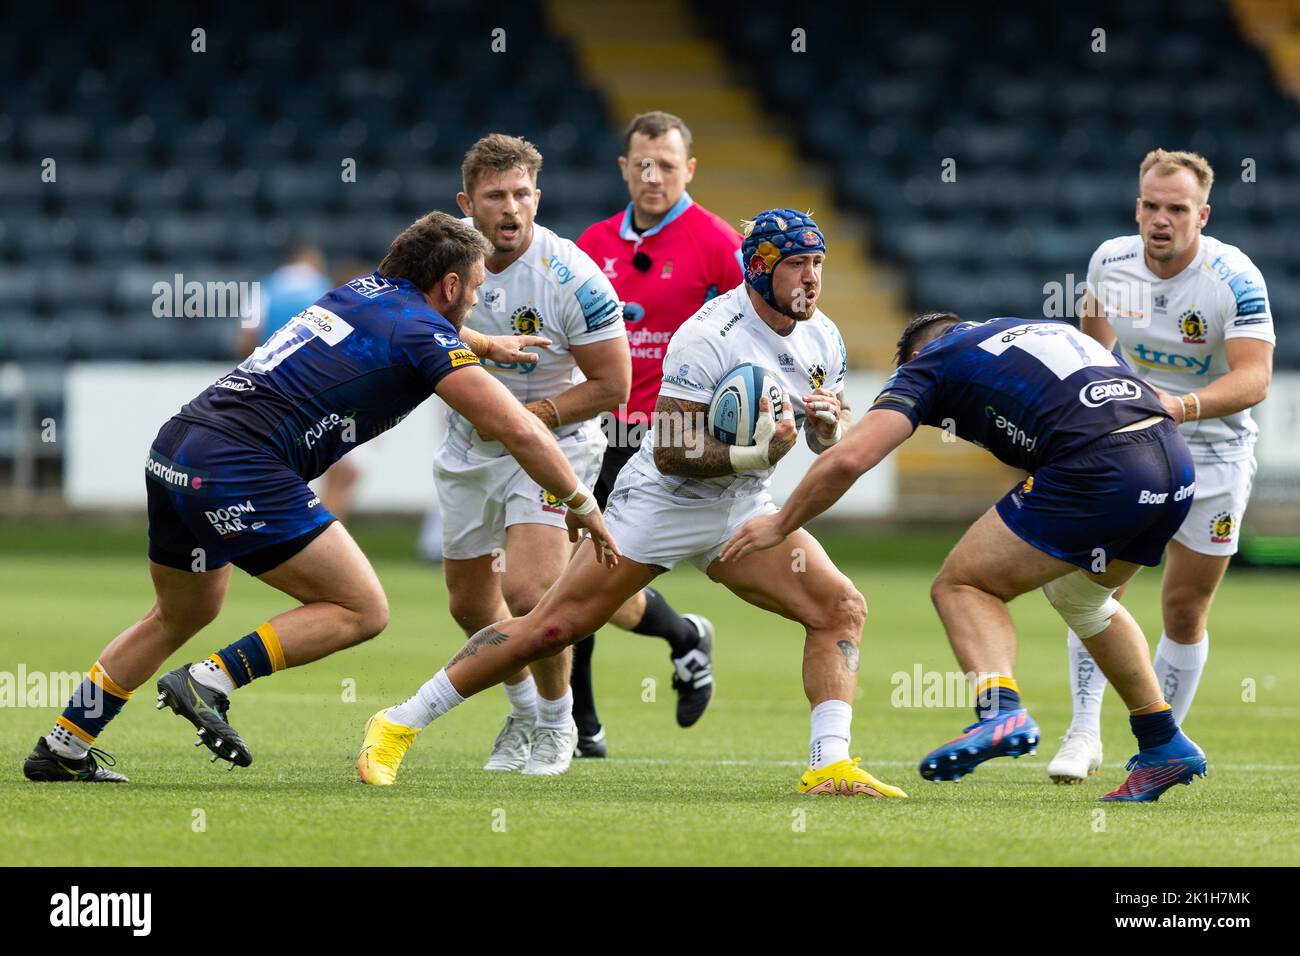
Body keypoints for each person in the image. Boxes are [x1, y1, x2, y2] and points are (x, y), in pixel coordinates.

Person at [22, 211, 619, 782]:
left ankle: (64, 746)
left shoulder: (362, 290)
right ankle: (212, 679)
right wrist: (583, 505)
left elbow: (422, 329)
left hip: (177, 447)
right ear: (452, 283)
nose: (477, 299)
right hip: (239, 466)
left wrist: (483, 346)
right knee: (363, 609)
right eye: (476, 288)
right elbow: (517, 428)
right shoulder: (423, 333)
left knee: (181, 612)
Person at [357, 209, 908, 799]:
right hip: (662, 504)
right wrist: (757, 454)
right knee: (549, 627)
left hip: (741, 506)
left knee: (840, 607)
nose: (811, 278)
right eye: (797, 264)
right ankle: (398, 723)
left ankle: (829, 765)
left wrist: (826, 428)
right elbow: (672, 450)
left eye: (817, 263)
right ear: (760, 267)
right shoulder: (710, 334)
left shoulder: (824, 334)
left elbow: (826, 434)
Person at [721, 312, 1208, 802]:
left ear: (915, 356)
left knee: (964, 584)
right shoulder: (1026, 329)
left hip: (1101, 467)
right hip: (1173, 464)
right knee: (1083, 601)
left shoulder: (930, 362)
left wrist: (780, 524)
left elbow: (850, 458)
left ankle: (1000, 711)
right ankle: (1162, 741)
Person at [1046, 150, 1274, 783]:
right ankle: (1083, 733)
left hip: (1217, 454)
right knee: (1096, 587)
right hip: (1133, 449)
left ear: (1203, 214)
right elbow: (1093, 353)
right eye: (1151, 205)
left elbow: (1254, 378)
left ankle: (1159, 747)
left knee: (1183, 608)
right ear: (1137, 207)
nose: (1161, 218)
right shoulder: (1110, 262)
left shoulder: (1234, 278)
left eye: (1177, 208)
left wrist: (1180, 405)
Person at [433, 134, 628, 776]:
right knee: (468, 603)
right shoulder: (440, 253)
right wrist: (480, 346)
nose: (510, 208)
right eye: (495, 196)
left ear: (538, 198)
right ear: (469, 203)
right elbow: (399, 316)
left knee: (529, 591)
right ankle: (520, 710)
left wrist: (523, 421)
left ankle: (556, 723)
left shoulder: (572, 275)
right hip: (469, 446)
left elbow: (612, 386)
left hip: (555, 442)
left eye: (522, 194)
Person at [571, 110, 744, 753]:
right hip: (602, 435)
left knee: (590, 584)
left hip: (675, 438)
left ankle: (675, 645)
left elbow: (756, 333)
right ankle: (589, 722)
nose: (654, 177)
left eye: (667, 165)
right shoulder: (592, 244)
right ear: (625, 167)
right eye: (643, 164)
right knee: (580, 581)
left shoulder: (720, 244)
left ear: (689, 169)